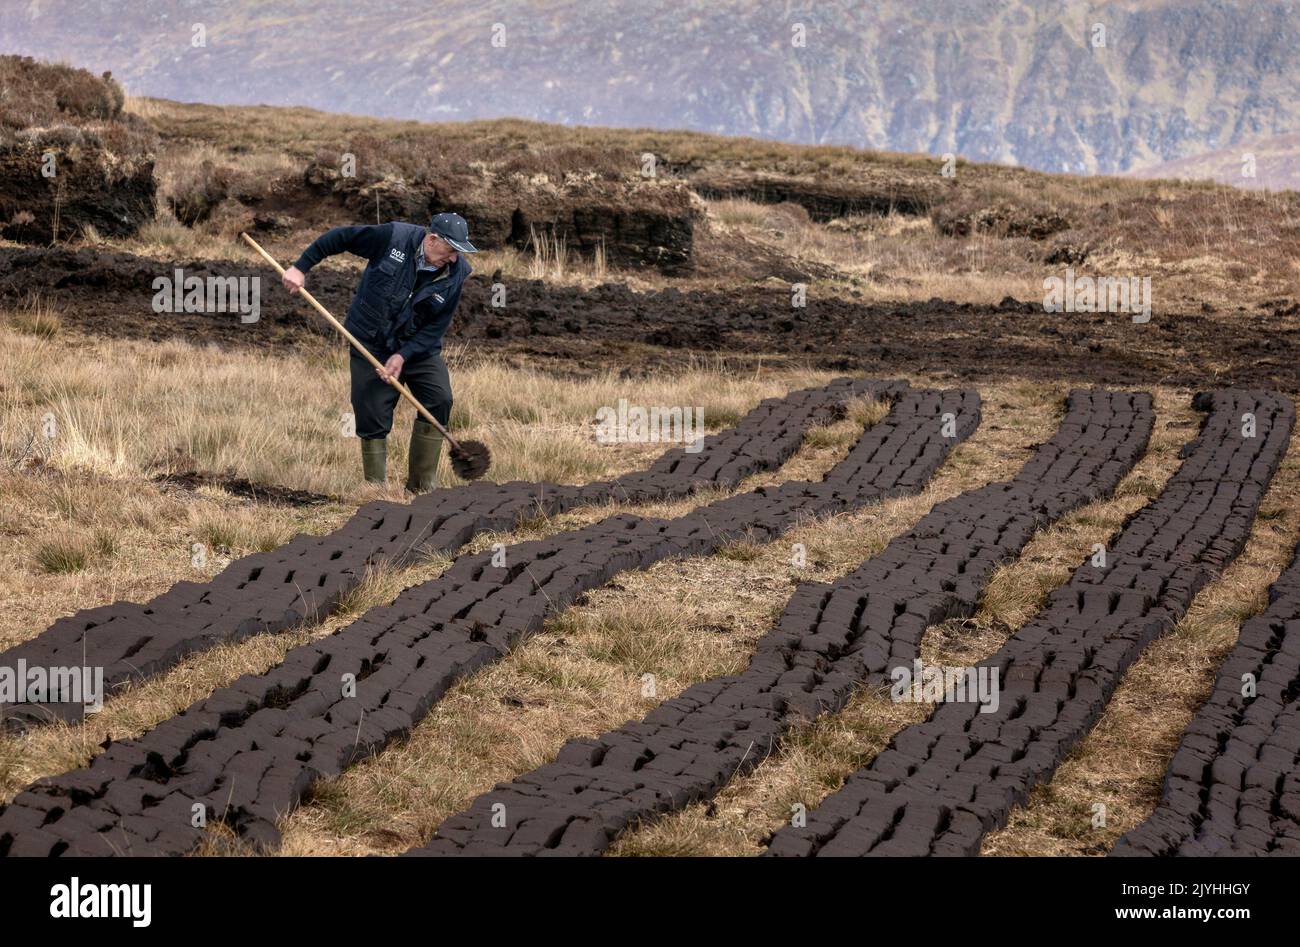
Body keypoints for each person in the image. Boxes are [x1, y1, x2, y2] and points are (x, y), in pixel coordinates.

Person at [282, 213, 476, 491]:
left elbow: (435, 327)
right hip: (370, 340)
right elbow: (340, 237)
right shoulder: (391, 238)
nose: (454, 258)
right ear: (432, 240)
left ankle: (422, 486)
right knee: (371, 410)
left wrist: (403, 355)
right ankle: (375, 489)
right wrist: (300, 268)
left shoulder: (456, 273)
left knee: (439, 398)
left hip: (418, 348)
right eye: (452, 250)